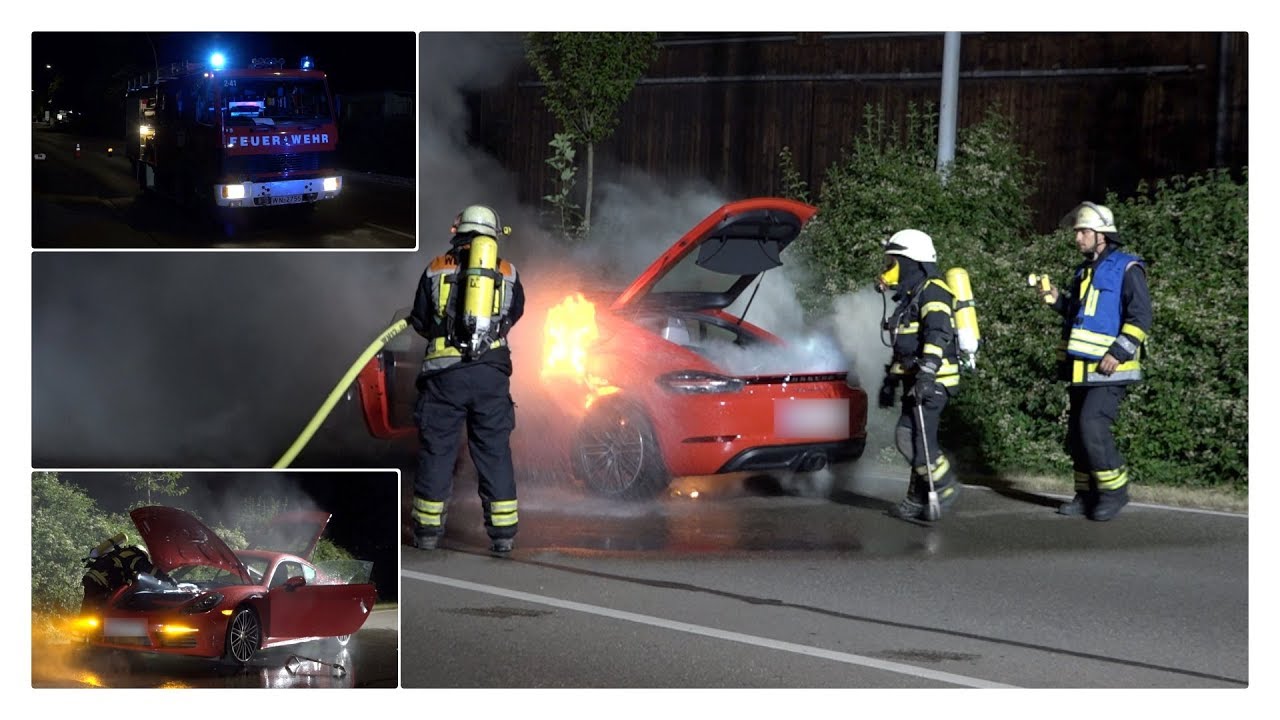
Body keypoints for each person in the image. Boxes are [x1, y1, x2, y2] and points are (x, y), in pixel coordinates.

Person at [409, 205, 525, 554]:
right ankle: (503, 535)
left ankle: (427, 533)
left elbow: (420, 319)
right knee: (494, 452)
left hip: (445, 377)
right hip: (490, 376)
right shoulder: (507, 272)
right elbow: (515, 312)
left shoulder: (435, 268)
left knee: (438, 451)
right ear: (492, 233)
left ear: (458, 232)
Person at [1035, 202, 1151, 521]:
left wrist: (1119, 352)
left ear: (1102, 235)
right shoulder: (1083, 271)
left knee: (1091, 425)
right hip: (1081, 369)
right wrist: (1058, 301)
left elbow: (1141, 316)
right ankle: (1085, 494)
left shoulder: (1128, 268)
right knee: (1076, 433)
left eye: (1083, 232)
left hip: (1111, 368)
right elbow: (1080, 316)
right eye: (1077, 232)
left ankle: (1115, 491)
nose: (1078, 238)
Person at [875, 229, 963, 520]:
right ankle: (917, 499)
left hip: (935, 380)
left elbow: (938, 333)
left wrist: (927, 374)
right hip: (917, 379)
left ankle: (945, 484)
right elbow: (906, 344)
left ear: (912, 262)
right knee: (913, 438)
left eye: (893, 262)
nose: (888, 269)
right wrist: (891, 379)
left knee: (910, 437)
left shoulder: (934, 290)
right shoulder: (911, 295)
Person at [80, 533, 164, 613]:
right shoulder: (135, 556)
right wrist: (166, 578)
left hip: (90, 577)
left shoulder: (119, 554)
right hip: (101, 582)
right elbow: (149, 569)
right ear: (142, 554)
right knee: (101, 607)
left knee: (88, 605)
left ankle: (81, 625)